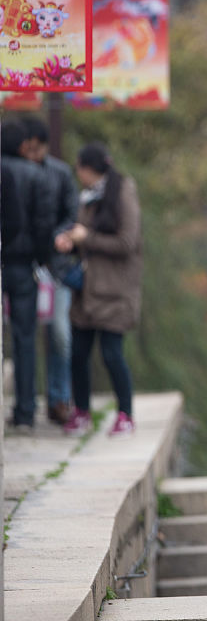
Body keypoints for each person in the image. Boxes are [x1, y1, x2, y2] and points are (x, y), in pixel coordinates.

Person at [55, 142, 141, 438]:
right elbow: (84, 234)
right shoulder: (87, 196)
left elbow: (128, 242)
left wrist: (86, 237)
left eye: (79, 168)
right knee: (78, 353)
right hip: (87, 290)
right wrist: (71, 241)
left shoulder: (122, 192)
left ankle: (126, 415)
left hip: (114, 291)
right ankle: (81, 412)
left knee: (112, 353)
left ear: (88, 169)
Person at [22, 116, 78, 425]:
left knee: (59, 334)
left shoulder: (61, 173)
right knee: (25, 335)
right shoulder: (15, 170)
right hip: (24, 265)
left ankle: (59, 398)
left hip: (55, 268)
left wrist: (60, 235)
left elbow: (72, 213)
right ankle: (29, 400)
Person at [2, 119, 54, 433]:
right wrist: (42, 259)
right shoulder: (37, 175)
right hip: (23, 266)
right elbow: (44, 223)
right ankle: (24, 410)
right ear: (24, 146)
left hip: (2, 261)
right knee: (24, 338)